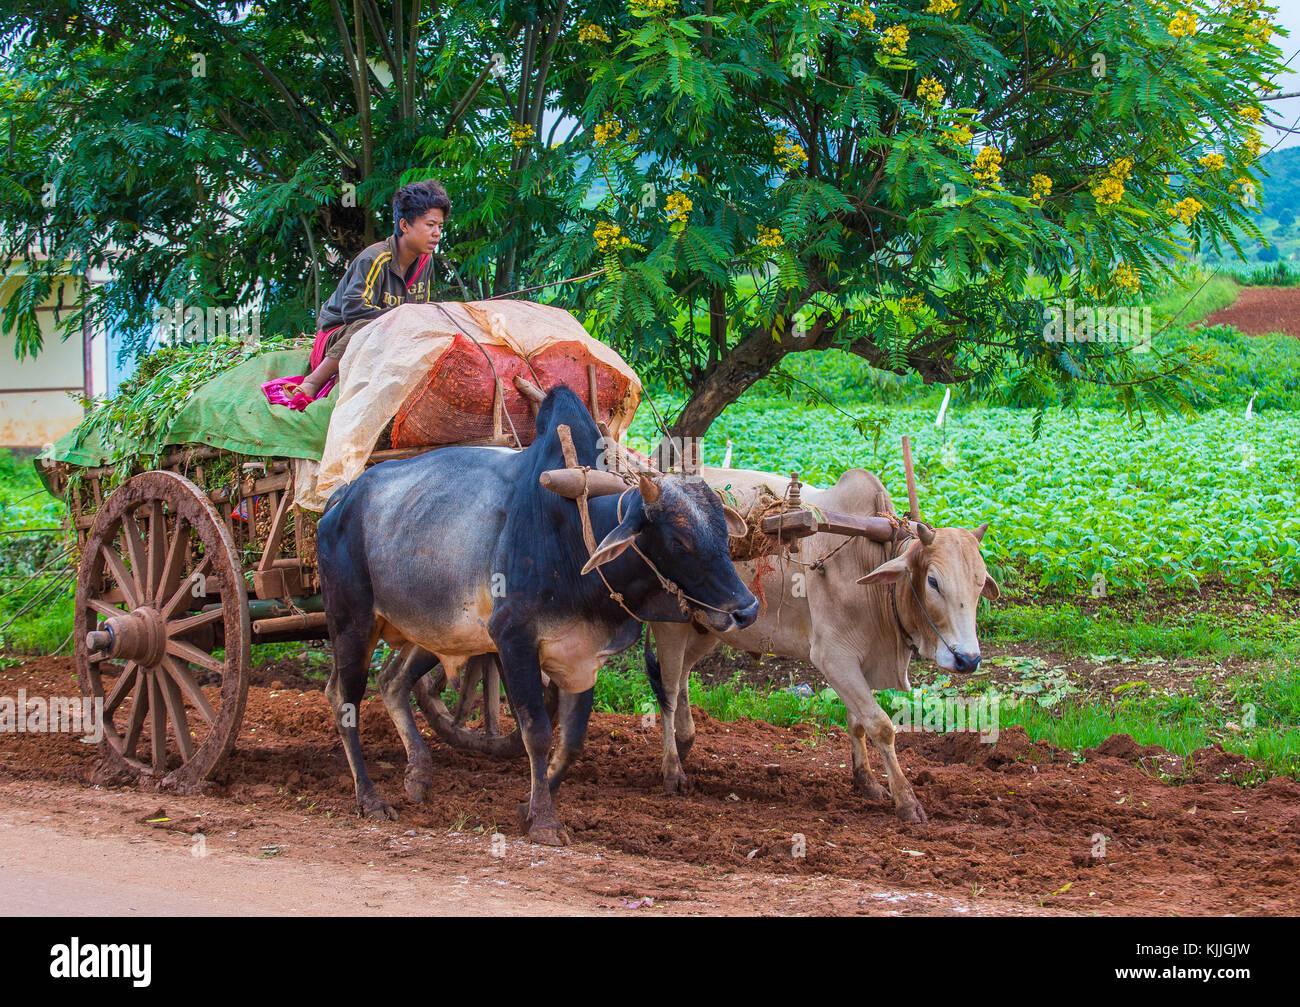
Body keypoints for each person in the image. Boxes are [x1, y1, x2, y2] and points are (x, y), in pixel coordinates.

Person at [291, 179, 451, 401]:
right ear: (404, 225)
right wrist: (401, 314)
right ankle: (313, 381)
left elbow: (418, 314)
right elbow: (353, 313)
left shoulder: (425, 262)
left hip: (388, 337)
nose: (437, 233)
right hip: (341, 335)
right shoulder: (375, 258)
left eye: (440, 226)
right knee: (371, 326)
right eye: (430, 225)